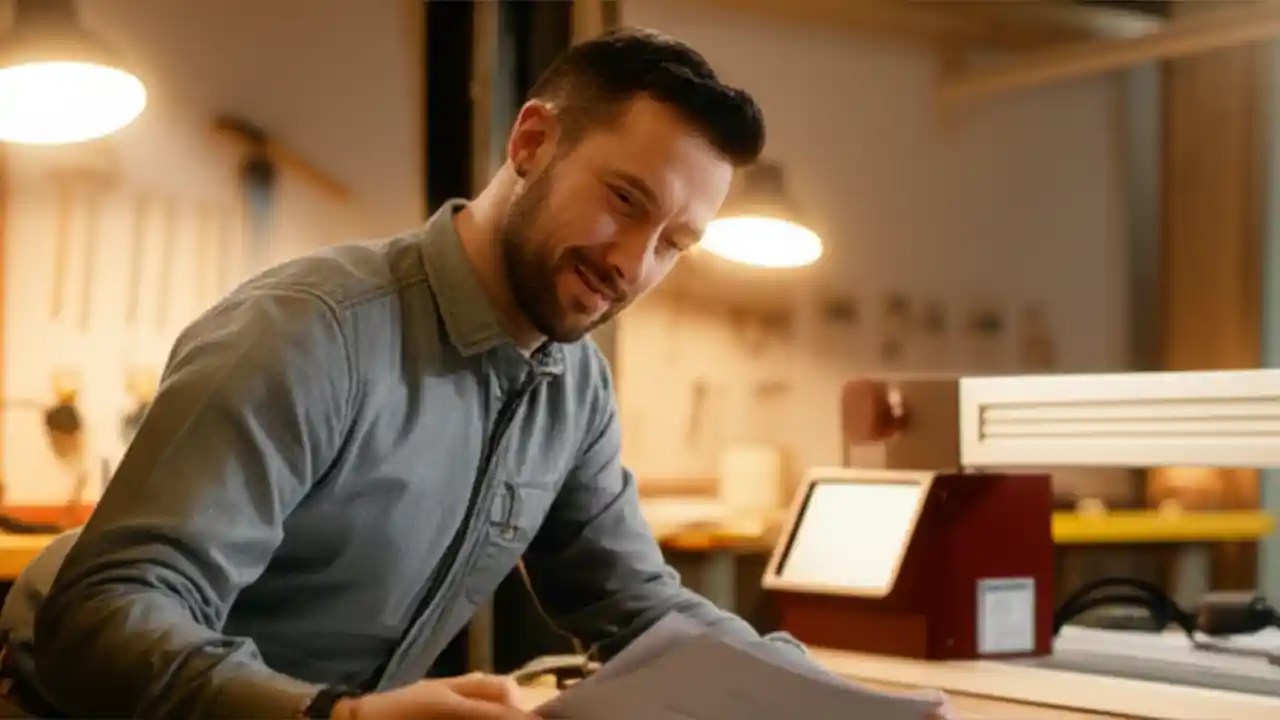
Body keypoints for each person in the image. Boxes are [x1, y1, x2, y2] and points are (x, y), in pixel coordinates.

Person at [0, 26, 793, 720]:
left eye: (671, 244)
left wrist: (837, 701)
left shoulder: (572, 387)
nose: (631, 262)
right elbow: (102, 622)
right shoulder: (309, 331)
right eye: (624, 199)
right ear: (532, 143)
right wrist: (339, 717)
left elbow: (644, 610)